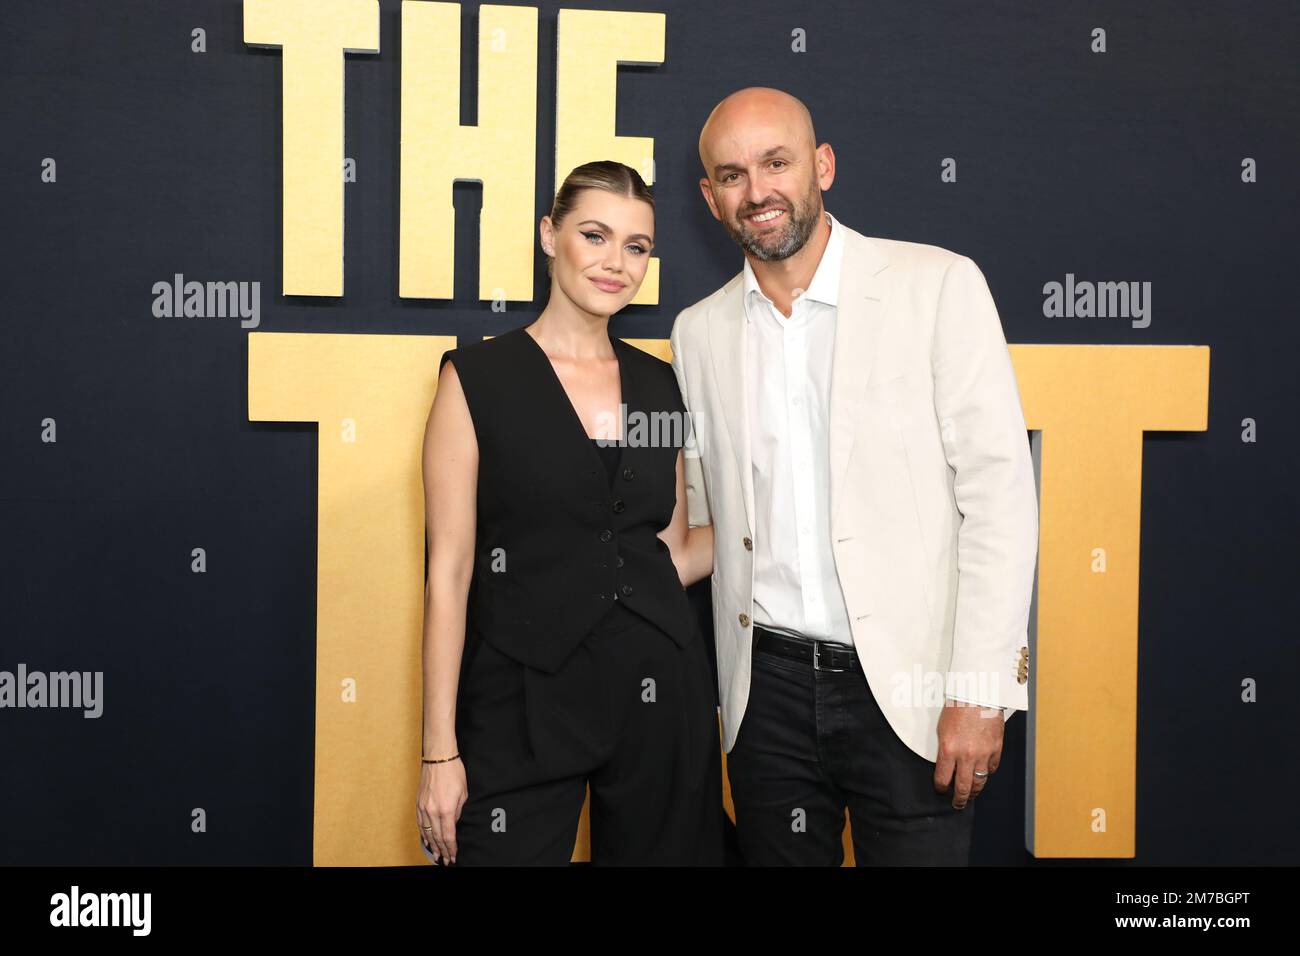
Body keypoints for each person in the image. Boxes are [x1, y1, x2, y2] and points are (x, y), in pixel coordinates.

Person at [670, 88, 1040, 865]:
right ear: (710, 198)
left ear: (823, 166)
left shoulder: (936, 286)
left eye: (778, 163)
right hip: (762, 696)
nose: (758, 190)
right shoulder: (696, 333)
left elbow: (1000, 502)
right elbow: (708, 521)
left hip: (913, 691)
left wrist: (981, 691)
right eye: (732, 175)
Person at [417, 160, 723, 866]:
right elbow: (451, 571)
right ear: (550, 236)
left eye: (637, 247)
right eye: (595, 235)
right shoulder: (477, 380)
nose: (616, 262)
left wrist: (772, 520)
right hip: (520, 699)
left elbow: (670, 554)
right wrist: (440, 752)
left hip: (659, 693)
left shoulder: (658, 384)